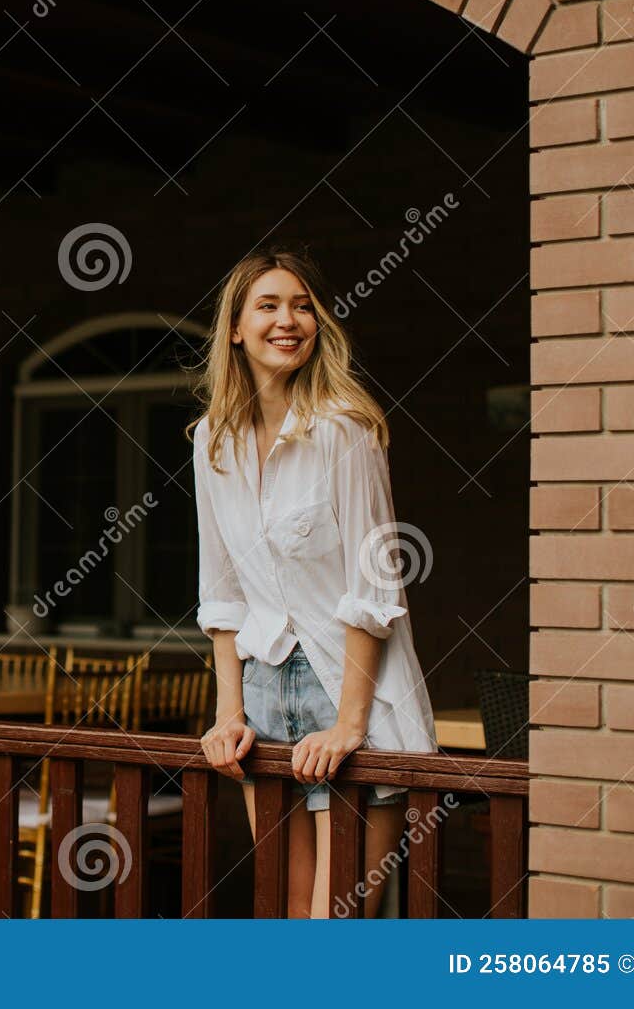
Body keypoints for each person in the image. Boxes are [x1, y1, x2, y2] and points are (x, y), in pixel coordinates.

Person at [190, 248, 438, 919]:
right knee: (284, 914)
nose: (289, 319)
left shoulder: (344, 428)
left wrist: (349, 726)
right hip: (264, 690)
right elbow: (223, 593)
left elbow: (375, 584)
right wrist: (228, 712)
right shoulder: (213, 439)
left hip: (348, 689)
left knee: (337, 921)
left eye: (302, 305)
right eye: (268, 305)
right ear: (235, 328)